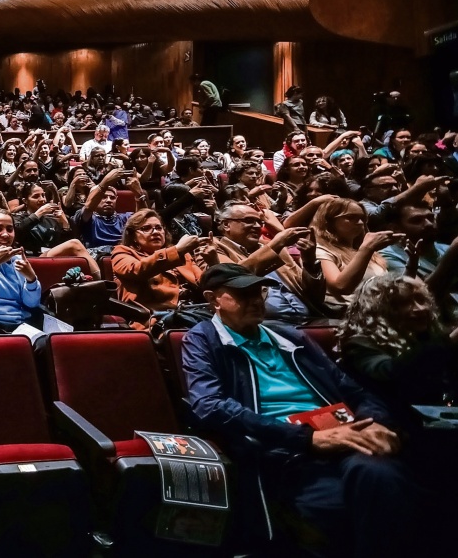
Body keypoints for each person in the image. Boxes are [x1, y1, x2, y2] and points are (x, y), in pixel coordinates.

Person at [182, 263, 422, 558]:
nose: (256, 301)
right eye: (243, 295)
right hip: (283, 449)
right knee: (337, 508)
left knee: (383, 478)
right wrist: (307, 438)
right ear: (213, 299)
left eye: (259, 292)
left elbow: (353, 391)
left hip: (342, 435)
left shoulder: (288, 335)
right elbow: (209, 405)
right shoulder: (203, 338)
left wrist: (376, 422)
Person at [339, 274, 458, 427]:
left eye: (421, 300)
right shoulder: (359, 344)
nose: (420, 308)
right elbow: (391, 374)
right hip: (396, 425)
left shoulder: (427, 335)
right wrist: (449, 342)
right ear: (379, 309)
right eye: (404, 303)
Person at [214, 203, 324, 320]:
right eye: (249, 220)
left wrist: (309, 261)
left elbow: (315, 295)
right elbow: (232, 278)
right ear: (226, 225)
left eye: (259, 222)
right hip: (261, 321)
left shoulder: (277, 249)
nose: (257, 226)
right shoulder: (213, 248)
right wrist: (276, 244)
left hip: (308, 318)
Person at [110, 210, 214, 313]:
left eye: (159, 228)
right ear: (133, 236)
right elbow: (136, 270)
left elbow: (204, 284)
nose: (155, 232)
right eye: (146, 228)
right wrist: (177, 250)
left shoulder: (182, 254)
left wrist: (212, 263)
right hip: (158, 316)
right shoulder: (121, 252)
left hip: (197, 308)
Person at [310, 197, 393, 314]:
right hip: (350, 315)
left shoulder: (363, 250)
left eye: (362, 218)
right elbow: (340, 286)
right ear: (328, 221)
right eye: (350, 218)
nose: (360, 223)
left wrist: (412, 263)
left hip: (381, 310)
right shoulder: (320, 250)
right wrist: (367, 249)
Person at [73, 167, 143, 250]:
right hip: (96, 256)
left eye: (112, 198)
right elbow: (88, 207)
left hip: (123, 254)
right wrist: (104, 183)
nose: (109, 200)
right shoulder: (88, 218)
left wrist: (139, 194)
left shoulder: (124, 218)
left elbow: (143, 220)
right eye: (103, 197)